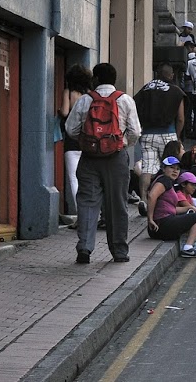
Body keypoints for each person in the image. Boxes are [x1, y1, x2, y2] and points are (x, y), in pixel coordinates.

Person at [64, 62, 142, 263]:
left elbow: (70, 129)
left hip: (89, 158)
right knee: (118, 204)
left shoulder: (85, 101)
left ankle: (85, 248)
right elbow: (135, 132)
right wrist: (121, 143)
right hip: (116, 158)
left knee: (88, 203)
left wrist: (89, 141)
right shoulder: (125, 100)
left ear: (96, 79)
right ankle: (119, 251)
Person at [134, 65, 186, 216]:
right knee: (171, 166)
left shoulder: (145, 89)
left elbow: (135, 108)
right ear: (171, 76)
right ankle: (167, 200)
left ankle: (144, 199)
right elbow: (181, 118)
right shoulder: (176, 91)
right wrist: (176, 136)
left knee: (147, 168)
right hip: (167, 133)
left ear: (156, 74)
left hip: (147, 134)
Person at [146, 157, 196, 256]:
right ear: (163, 168)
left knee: (194, 213)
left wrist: (189, 208)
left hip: (160, 226)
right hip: (161, 225)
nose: (175, 171)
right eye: (172, 167)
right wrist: (150, 219)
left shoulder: (166, 181)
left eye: (177, 168)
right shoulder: (164, 180)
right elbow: (151, 196)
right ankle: (188, 248)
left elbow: (170, 209)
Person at [59, 64, 93, 222]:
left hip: (72, 141)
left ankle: (81, 215)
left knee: (74, 178)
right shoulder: (90, 95)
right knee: (88, 178)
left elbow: (65, 112)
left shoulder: (69, 92)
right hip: (88, 140)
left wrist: (59, 111)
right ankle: (92, 212)